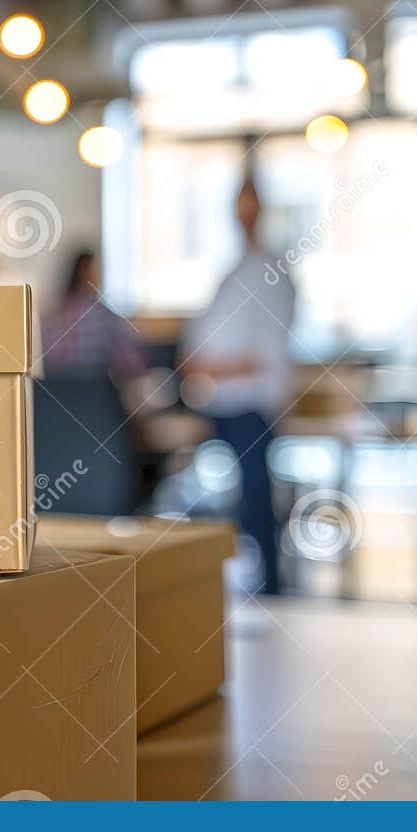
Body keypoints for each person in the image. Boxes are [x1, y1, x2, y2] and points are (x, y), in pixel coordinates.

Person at [179, 174, 295, 594]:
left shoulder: (271, 272)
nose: (244, 214)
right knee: (231, 501)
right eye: (238, 204)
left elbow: (265, 353)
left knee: (257, 503)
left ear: (261, 209)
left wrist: (207, 368)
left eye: (250, 204)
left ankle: (272, 590)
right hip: (218, 404)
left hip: (249, 405)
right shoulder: (236, 268)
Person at [42, 250, 149, 390]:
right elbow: (129, 361)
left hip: (54, 397)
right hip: (96, 396)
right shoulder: (103, 315)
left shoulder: (51, 315)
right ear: (87, 273)